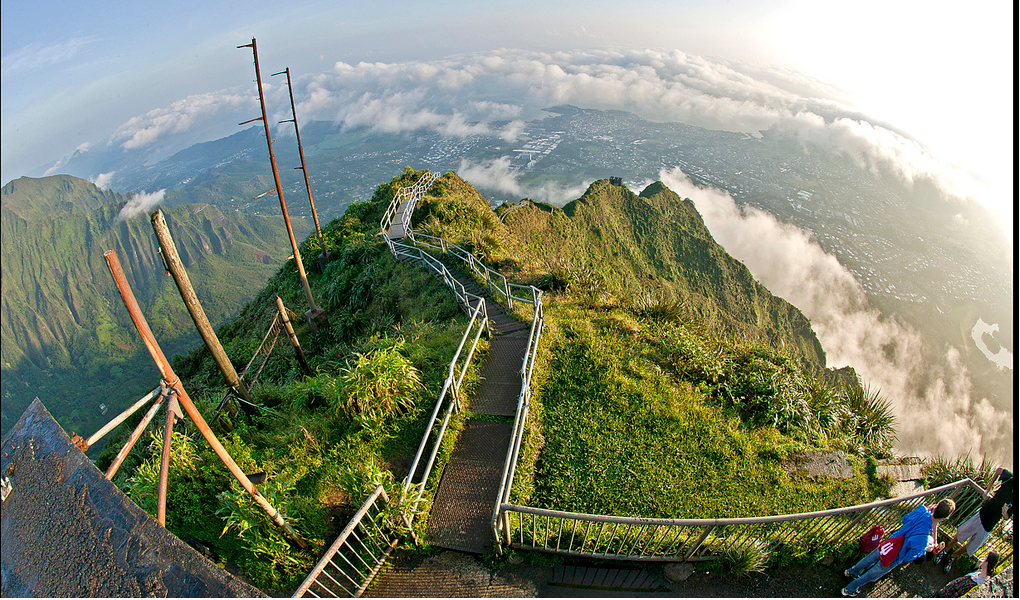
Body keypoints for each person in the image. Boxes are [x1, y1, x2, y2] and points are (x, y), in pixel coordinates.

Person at [841, 499, 956, 597]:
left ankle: (851, 572)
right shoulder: (923, 540)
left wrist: (926, 509)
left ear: (936, 506)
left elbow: (905, 519)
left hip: (890, 542)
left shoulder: (921, 510)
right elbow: (908, 557)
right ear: (943, 519)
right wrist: (925, 550)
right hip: (895, 557)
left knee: (869, 559)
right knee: (872, 574)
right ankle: (850, 589)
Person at [936, 468, 1014, 573]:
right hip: (983, 513)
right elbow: (999, 470)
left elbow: (1007, 516)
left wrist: (1005, 516)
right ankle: (946, 550)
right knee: (961, 534)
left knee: (971, 546)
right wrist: (987, 490)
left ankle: (953, 556)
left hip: (989, 525)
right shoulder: (1011, 479)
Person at [933, 551, 999, 597]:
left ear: (986, 563)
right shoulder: (980, 574)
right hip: (945, 592)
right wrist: (976, 566)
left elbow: (958, 594)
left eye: (985, 558)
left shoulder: (976, 584)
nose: (982, 558)